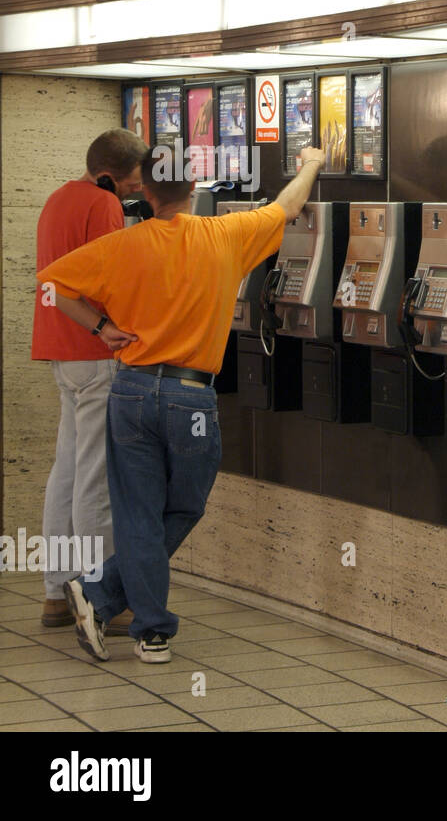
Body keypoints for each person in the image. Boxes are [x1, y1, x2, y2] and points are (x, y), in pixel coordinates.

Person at [40, 144, 325, 665]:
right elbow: (286, 208)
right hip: (189, 397)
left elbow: (53, 286)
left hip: (130, 390)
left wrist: (102, 328)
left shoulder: (124, 245)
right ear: (195, 189)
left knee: (137, 512)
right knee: (185, 506)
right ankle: (119, 606)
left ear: (145, 193)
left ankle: (139, 625)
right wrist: (311, 163)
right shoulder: (226, 234)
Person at [32, 129, 147, 633]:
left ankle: (56, 592)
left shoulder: (57, 199)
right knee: (95, 478)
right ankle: (98, 598)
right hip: (95, 349)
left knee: (67, 471)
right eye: (132, 182)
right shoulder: (103, 204)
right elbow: (112, 277)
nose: (136, 192)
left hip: (60, 348)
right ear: (108, 176)